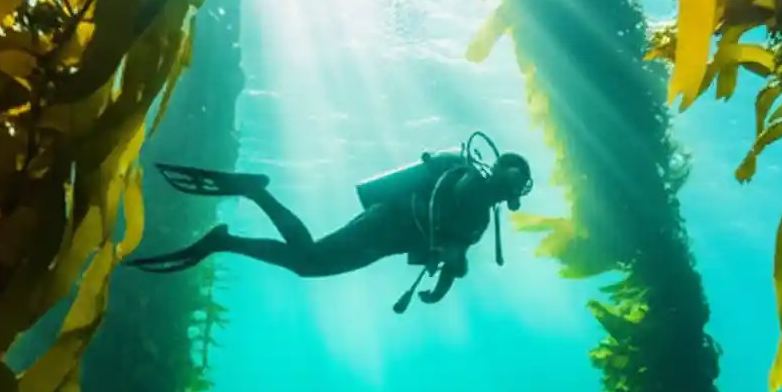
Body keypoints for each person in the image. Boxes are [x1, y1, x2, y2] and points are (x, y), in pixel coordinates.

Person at [126, 133, 534, 312]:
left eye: (517, 181)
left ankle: (226, 237)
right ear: (499, 171)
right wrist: (446, 272)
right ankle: (251, 197)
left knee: (309, 263)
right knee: (310, 259)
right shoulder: (474, 187)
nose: (511, 186)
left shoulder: (482, 214)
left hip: (384, 239)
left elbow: (454, 253)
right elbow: (461, 213)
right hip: (382, 227)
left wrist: (440, 286)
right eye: (511, 176)